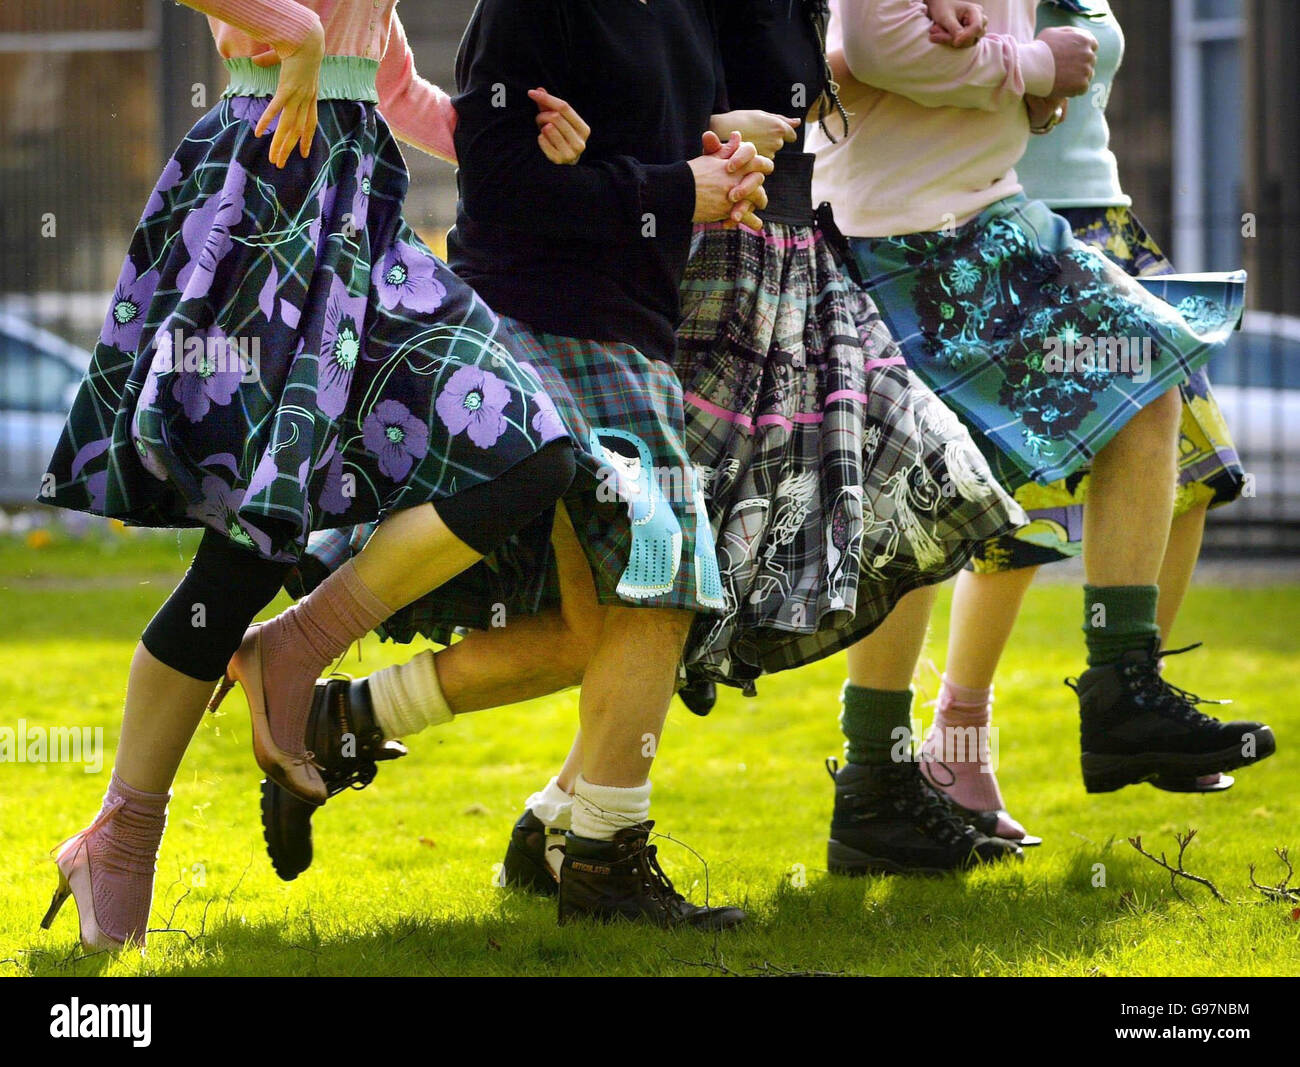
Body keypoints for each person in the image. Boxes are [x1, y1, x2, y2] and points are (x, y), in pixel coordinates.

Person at [259, 0, 1032, 891]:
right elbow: (507, 178)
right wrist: (679, 180)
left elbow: (645, 135)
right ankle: (605, 850)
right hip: (572, 316)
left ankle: (545, 816)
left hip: (650, 309)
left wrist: (707, 148)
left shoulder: (680, 18)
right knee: (660, 587)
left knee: (620, 613)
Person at [38, 0, 580, 951]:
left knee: (528, 449)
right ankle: (120, 837)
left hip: (357, 200)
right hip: (267, 192)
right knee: (244, 552)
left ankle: (292, 649)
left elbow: (399, 85)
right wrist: (291, 27)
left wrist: (514, 146)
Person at [806, 0, 1272, 875]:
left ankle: (1118, 687)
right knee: (927, 505)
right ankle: (882, 772)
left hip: (986, 215)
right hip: (903, 237)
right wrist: (1026, 67)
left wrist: (1023, 75)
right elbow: (863, 47)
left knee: (1147, 378)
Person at [920, 0, 1252, 841]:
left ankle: (1134, 697)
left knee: (1195, 469)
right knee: (1017, 519)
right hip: (1014, 227)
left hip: (1109, 227)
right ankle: (956, 740)